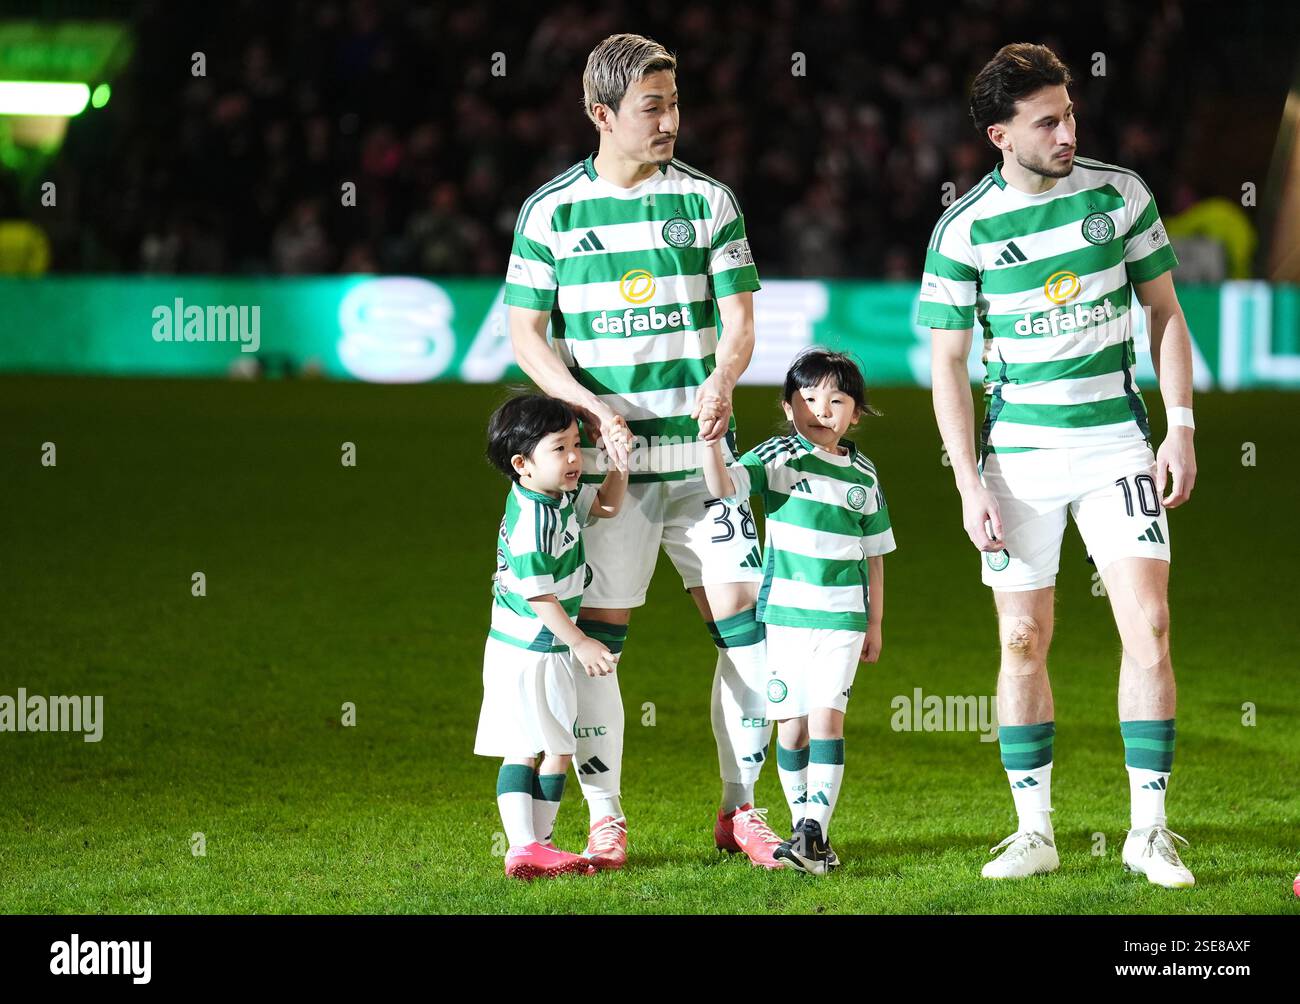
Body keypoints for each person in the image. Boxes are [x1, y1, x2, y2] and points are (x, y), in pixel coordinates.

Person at [505, 32, 785, 869]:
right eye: (651, 107)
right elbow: (526, 334)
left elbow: (739, 320)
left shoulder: (709, 202)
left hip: (704, 467)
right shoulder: (551, 211)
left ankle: (741, 809)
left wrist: (725, 378)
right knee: (599, 645)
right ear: (602, 114)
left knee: (749, 638)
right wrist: (587, 406)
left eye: (674, 103)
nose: (670, 121)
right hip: (609, 478)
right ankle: (606, 816)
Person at [919, 43, 1197, 886]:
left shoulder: (1120, 195)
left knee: (1148, 625)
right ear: (1001, 134)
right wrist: (969, 483)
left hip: (1115, 442)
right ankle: (1033, 831)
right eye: (1048, 122)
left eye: (1070, 113)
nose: (1068, 130)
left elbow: (1167, 316)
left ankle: (1148, 832)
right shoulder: (963, 228)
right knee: (1022, 638)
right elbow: (947, 369)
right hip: (1020, 459)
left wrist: (1178, 427)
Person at [702, 349, 896, 874]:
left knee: (828, 720)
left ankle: (816, 831)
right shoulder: (777, 458)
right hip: (785, 618)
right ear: (788, 407)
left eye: (836, 400)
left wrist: (875, 623)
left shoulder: (863, 475)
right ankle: (803, 832)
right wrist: (710, 443)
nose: (820, 410)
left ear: (856, 412)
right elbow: (723, 488)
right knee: (791, 730)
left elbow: (875, 554)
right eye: (807, 399)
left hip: (843, 621)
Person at [475, 395, 627, 880]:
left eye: (576, 445)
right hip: (528, 648)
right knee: (526, 745)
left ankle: (538, 846)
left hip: (542, 647)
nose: (574, 458)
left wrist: (619, 464)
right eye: (559, 448)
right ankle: (524, 846)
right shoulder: (533, 520)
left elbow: (605, 505)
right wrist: (581, 641)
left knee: (555, 747)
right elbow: (538, 594)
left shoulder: (556, 497)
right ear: (522, 464)